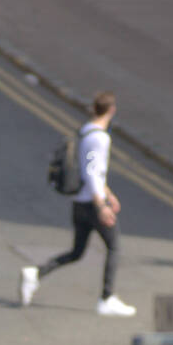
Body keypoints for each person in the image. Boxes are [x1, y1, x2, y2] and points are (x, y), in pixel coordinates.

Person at [21, 91, 135, 317]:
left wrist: (109, 194)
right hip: (92, 204)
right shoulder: (100, 138)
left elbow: (91, 170)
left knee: (77, 252)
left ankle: (36, 273)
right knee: (114, 247)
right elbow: (93, 173)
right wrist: (102, 205)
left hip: (80, 203)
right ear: (111, 111)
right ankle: (107, 298)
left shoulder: (86, 131)